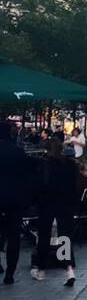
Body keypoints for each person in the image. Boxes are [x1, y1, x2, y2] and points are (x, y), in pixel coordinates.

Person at [32, 138, 83, 285]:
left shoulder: (43, 164)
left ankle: (41, 270)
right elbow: (75, 185)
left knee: (43, 235)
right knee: (65, 236)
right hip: (65, 204)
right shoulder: (71, 164)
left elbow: (38, 185)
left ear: (46, 149)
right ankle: (68, 269)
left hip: (46, 203)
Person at [0, 120, 34, 285]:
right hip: (14, 200)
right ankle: (10, 273)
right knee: (14, 237)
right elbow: (27, 177)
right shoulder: (19, 152)